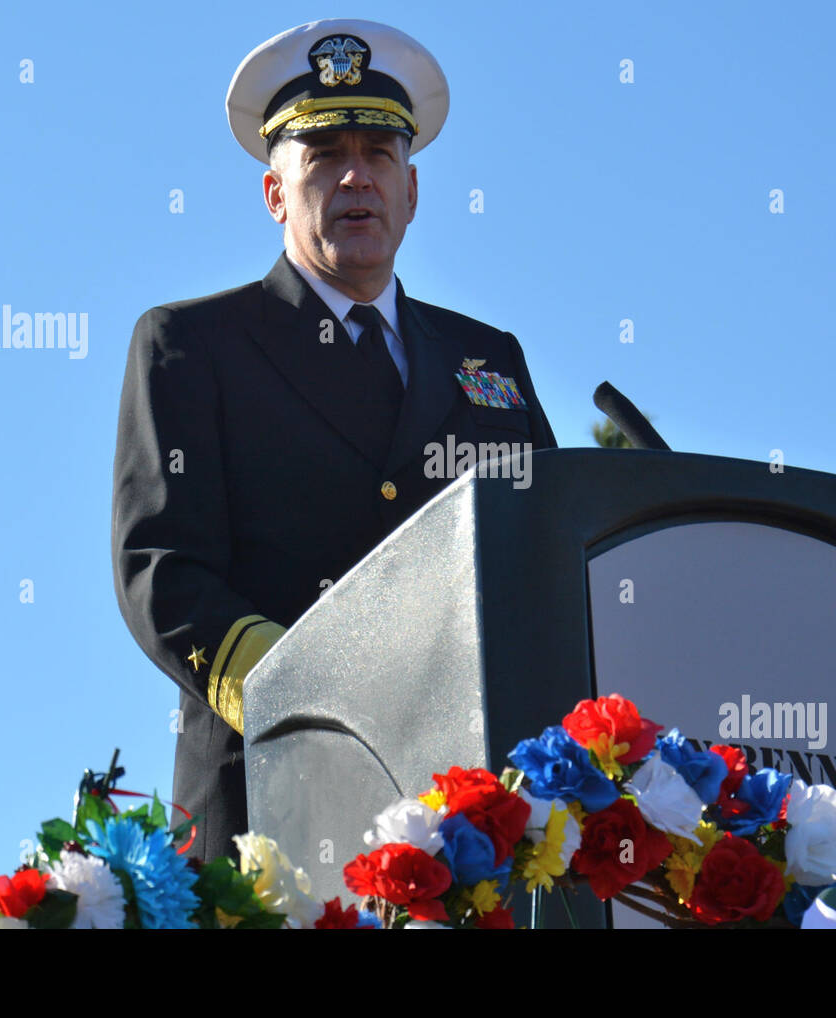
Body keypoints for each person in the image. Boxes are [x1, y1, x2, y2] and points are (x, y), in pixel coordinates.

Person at [110, 18, 557, 864]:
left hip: (469, 826)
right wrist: (309, 698)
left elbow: (540, 553)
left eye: (379, 154)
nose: (357, 177)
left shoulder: (486, 358)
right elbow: (161, 570)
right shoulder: (192, 345)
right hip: (269, 811)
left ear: (413, 190)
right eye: (323, 155)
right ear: (276, 194)